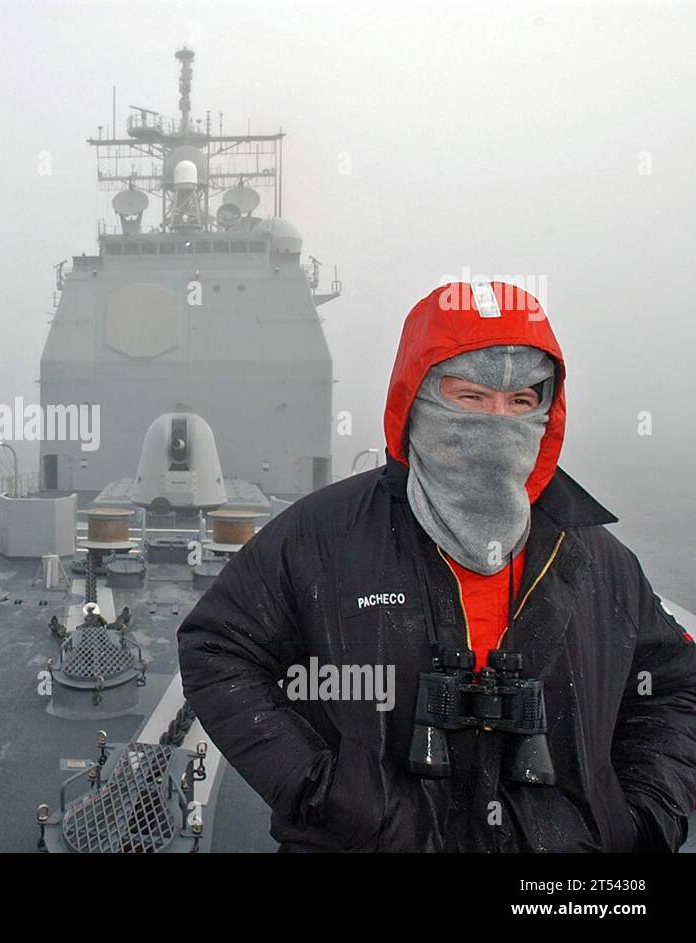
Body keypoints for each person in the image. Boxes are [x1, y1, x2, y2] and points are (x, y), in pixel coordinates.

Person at [177, 281, 696, 852]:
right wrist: (329, 797)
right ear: (417, 397)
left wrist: (644, 817)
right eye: (472, 397)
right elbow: (218, 647)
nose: (499, 421)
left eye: (522, 401)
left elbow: (673, 684)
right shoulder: (324, 536)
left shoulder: (597, 559)